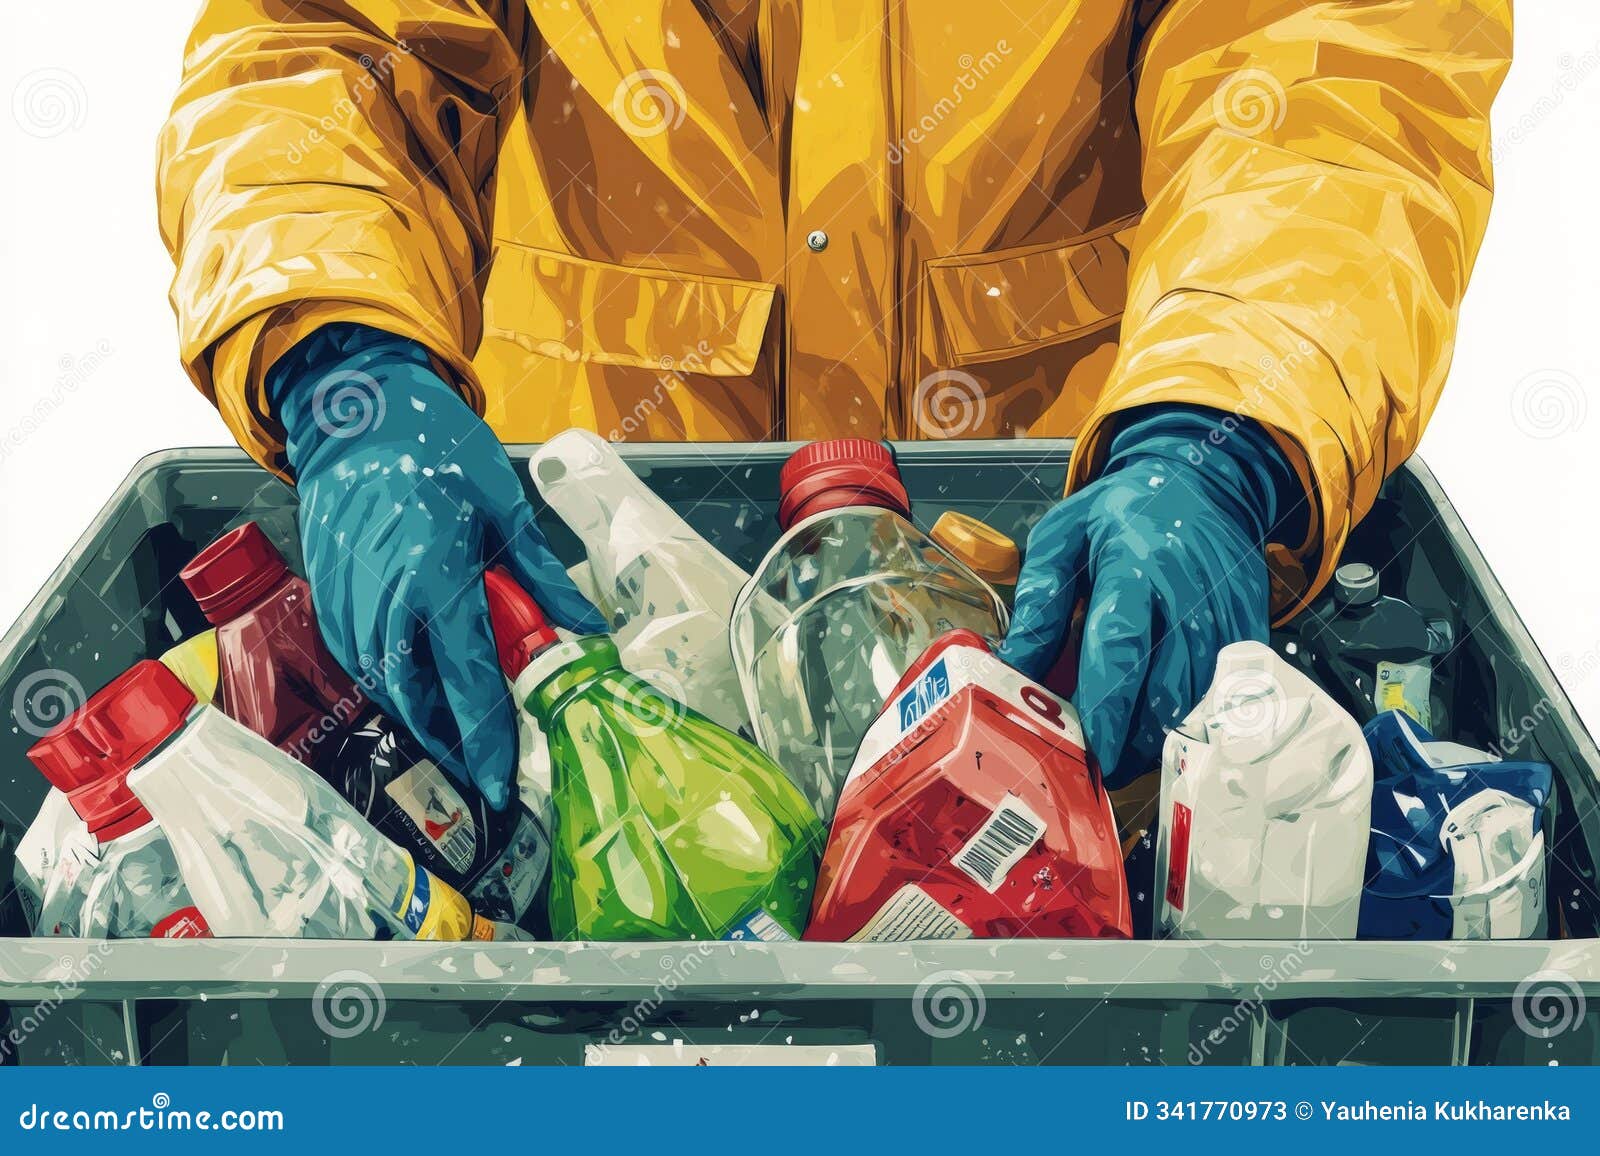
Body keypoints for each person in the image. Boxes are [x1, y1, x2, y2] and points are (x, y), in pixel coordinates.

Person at [156, 1, 1511, 810]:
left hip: (1062, 613)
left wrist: (1224, 427)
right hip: (584, 611)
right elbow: (321, 42)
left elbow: (1331, 79)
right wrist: (342, 355)